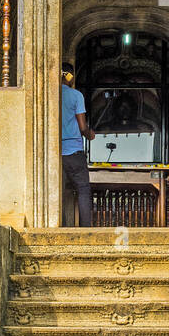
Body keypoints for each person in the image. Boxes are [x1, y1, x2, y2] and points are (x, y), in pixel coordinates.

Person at [61, 63, 95, 226]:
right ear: (69, 75)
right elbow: (82, 127)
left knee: (60, 191)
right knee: (83, 189)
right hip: (74, 152)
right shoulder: (76, 95)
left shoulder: (51, 95)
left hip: (57, 154)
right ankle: (85, 229)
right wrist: (90, 134)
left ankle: (60, 227)